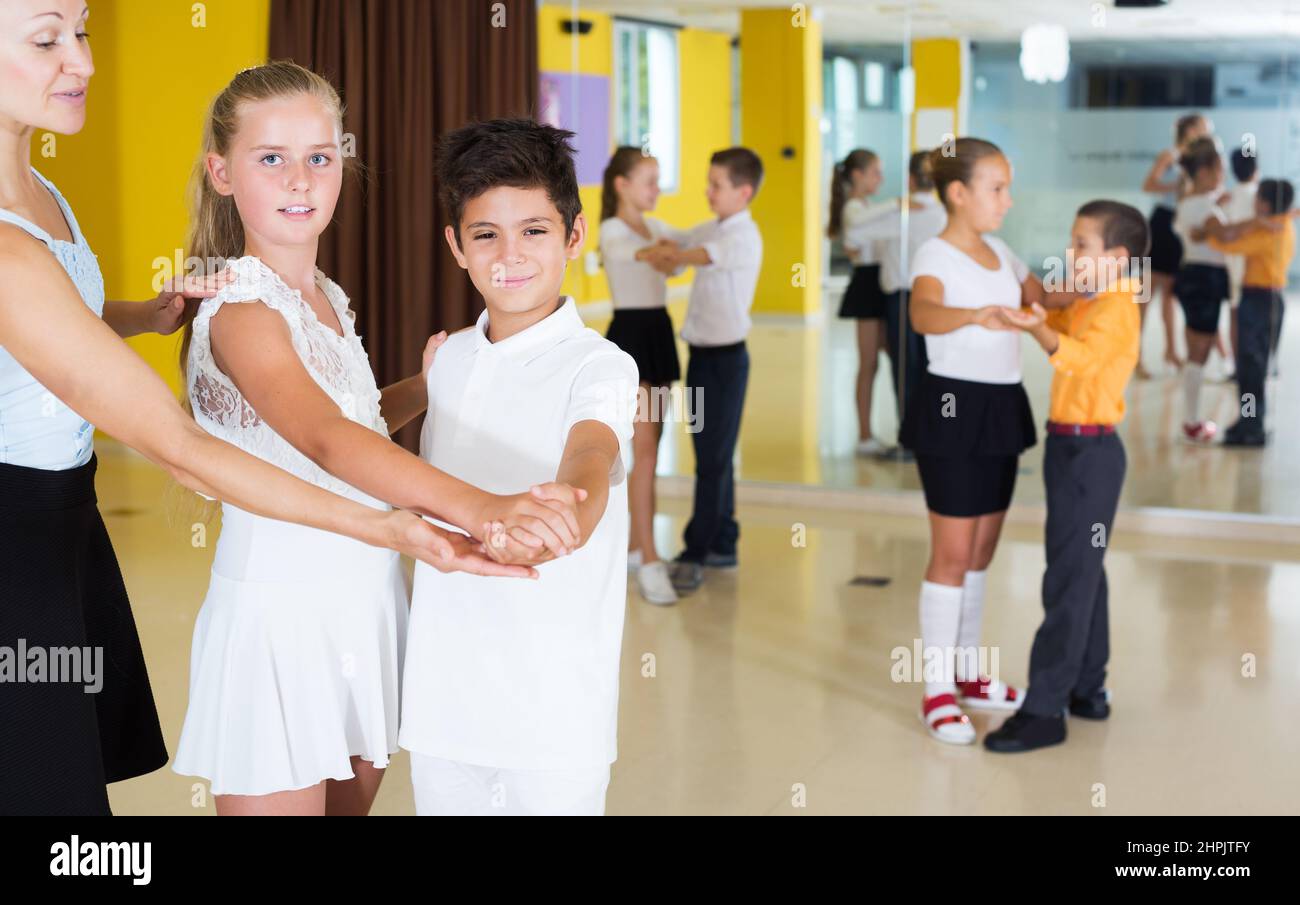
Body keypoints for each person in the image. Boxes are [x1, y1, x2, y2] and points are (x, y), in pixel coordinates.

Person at [0, 0, 509, 816]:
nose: (84, 60)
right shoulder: (240, 308)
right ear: (223, 171)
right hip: (42, 530)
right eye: (47, 37)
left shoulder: (45, 193)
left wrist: (142, 316)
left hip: (89, 523)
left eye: (83, 30)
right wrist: (441, 516)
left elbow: (56, 324)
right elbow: (259, 441)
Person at [169, 64, 585, 816]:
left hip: (367, 601)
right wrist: (482, 507)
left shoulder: (324, 296)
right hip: (282, 618)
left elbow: (348, 422)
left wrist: (423, 387)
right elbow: (325, 440)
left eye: (320, 156)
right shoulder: (242, 310)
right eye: (271, 158)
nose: (300, 179)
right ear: (221, 173)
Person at [400, 118, 638, 816]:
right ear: (456, 245)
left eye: (534, 230)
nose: (510, 254)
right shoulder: (449, 358)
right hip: (443, 700)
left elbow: (591, 452)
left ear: (574, 235)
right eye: (486, 234)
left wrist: (566, 517)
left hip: (555, 711)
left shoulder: (600, 364)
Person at [986, 200, 1147, 752]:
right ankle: (1087, 688)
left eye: (1082, 244)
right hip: (1071, 449)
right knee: (1084, 571)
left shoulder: (1117, 309)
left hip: (1090, 456)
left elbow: (1080, 357)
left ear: (1117, 257)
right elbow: (1058, 325)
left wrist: (1038, 330)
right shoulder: (1092, 298)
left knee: (1068, 579)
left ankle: (1044, 710)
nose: (1070, 252)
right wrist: (1036, 314)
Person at [902, 138, 1048, 744]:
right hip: (952, 408)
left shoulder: (1002, 252)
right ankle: (936, 690)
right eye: (997, 189)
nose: (1008, 200)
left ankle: (967, 673)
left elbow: (1044, 297)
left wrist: (1102, 277)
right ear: (958, 193)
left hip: (1001, 406)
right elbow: (922, 313)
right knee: (953, 554)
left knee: (983, 551)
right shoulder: (934, 254)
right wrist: (974, 315)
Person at [638, 148, 764, 595]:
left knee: (712, 460)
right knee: (712, 454)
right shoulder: (712, 227)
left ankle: (695, 553)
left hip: (727, 363)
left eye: (716, 185)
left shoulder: (743, 236)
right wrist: (649, 232)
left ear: (743, 192)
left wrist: (670, 255)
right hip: (702, 360)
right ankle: (723, 542)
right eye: (709, 183)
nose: (708, 192)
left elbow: (703, 254)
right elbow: (682, 239)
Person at [598, 146, 687, 605]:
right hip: (630, 337)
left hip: (658, 333)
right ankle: (650, 559)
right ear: (622, 185)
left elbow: (679, 254)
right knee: (645, 450)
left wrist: (671, 251)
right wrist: (665, 253)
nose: (656, 189)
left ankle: (637, 547)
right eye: (649, 181)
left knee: (651, 451)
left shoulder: (657, 227)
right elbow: (639, 254)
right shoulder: (612, 229)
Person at [842, 149, 946, 454]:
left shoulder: (899, 214)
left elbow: (852, 238)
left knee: (905, 371)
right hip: (937, 299)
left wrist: (895, 208)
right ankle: (934, 433)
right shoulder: (943, 215)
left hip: (900, 300)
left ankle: (910, 437)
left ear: (910, 179)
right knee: (933, 367)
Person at [1202, 178, 1297, 447]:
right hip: (1270, 300)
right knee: (1254, 369)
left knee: (1250, 369)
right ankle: (1250, 421)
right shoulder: (1283, 224)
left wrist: (1207, 230)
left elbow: (1225, 245)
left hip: (1258, 301)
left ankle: (1250, 426)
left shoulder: (1269, 234)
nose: (1254, 203)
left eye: (1258, 199)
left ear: (1265, 204)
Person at [828, 148, 899, 456]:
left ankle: (890, 429)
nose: (880, 179)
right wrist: (898, 204)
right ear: (857, 175)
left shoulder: (868, 206)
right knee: (868, 363)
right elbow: (858, 223)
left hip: (881, 282)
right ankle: (864, 436)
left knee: (890, 357)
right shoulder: (854, 208)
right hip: (867, 286)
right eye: (875, 173)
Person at [1140, 112, 1209, 377]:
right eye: (1202, 128)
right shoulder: (1170, 155)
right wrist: (1174, 186)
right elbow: (1148, 184)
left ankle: (1170, 351)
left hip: (1178, 224)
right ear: (1189, 130)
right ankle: (1135, 356)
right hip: (1161, 223)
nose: (1205, 132)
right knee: (1146, 293)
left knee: (1170, 291)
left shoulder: (1196, 160)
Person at [1172, 136, 1230, 443]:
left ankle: (1191, 419)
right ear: (1205, 172)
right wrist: (1266, 223)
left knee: (1197, 349)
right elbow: (1228, 235)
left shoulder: (1190, 201)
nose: (1223, 176)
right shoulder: (1205, 206)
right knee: (1199, 352)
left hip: (1193, 276)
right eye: (1220, 170)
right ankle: (1191, 421)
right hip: (1205, 279)